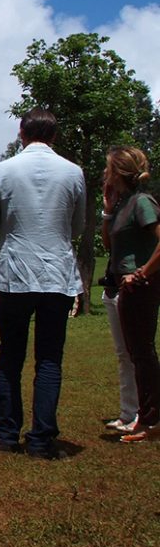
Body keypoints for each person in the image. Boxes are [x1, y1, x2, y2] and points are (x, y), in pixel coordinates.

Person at [0, 108, 85, 459]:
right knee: (49, 358)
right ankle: (41, 439)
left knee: (10, 356)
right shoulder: (74, 172)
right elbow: (79, 226)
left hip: (16, 274)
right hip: (56, 274)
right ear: (54, 136)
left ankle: (7, 433)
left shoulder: (3, 171)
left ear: (21, 133)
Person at [101, 146, 160, 443]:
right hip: (123, 286)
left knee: (143, 353)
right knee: (136, 353)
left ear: (118, 172)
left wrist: (143, 272)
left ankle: (151, 421)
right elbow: (109, 245)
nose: (104, 174)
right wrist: (108, 211)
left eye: (108, 168)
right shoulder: (123, 204)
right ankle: (142, 418)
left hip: (140, 287)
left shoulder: (141, 203)